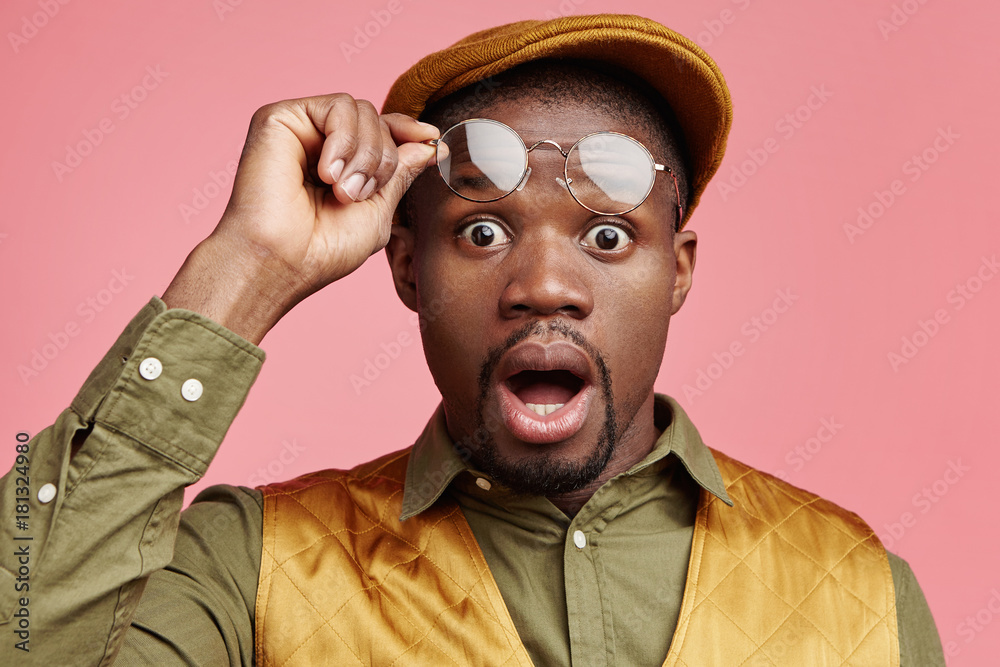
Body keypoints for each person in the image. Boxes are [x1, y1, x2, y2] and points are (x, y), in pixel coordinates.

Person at [0, 13, 944, 666]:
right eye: (482, 232)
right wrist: (246, 267)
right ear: (408, 267)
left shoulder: (861, 592)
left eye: (608, 237)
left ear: (679, 271)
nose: (544, 286)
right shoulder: (248, 569)